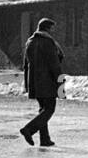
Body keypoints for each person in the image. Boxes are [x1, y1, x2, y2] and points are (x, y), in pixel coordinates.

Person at [20, 17, 65, 147]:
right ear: (47, 28)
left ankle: (45, 139)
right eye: (52, 28)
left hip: (35, 82)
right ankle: (29, 129)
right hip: (48, 82)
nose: (53, 31)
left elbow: (25, 65)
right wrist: (61, 85)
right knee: (49, 109)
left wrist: (28, 85)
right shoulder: (48, 42)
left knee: (42, 110)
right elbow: (55, 65)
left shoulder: (30, 41)